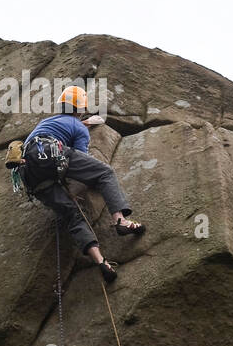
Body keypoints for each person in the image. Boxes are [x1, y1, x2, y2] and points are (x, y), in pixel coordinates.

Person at [22, 86, 145, 282]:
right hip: (55, 155)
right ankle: (121, 221)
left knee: (72, 215)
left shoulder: (47, 122)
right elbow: (82, 160)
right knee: (105, 173)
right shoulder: (79, 128)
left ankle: (100, 261)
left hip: (30, 175)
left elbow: (60, 132)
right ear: (80, 109)